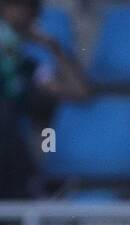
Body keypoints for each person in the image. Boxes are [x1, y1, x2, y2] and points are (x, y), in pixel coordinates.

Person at [0, 0, 87, 198]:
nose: (19, 14)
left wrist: (54, 48)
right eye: (12, 8)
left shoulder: (28, 67)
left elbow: (79, 92)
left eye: (27, 10)